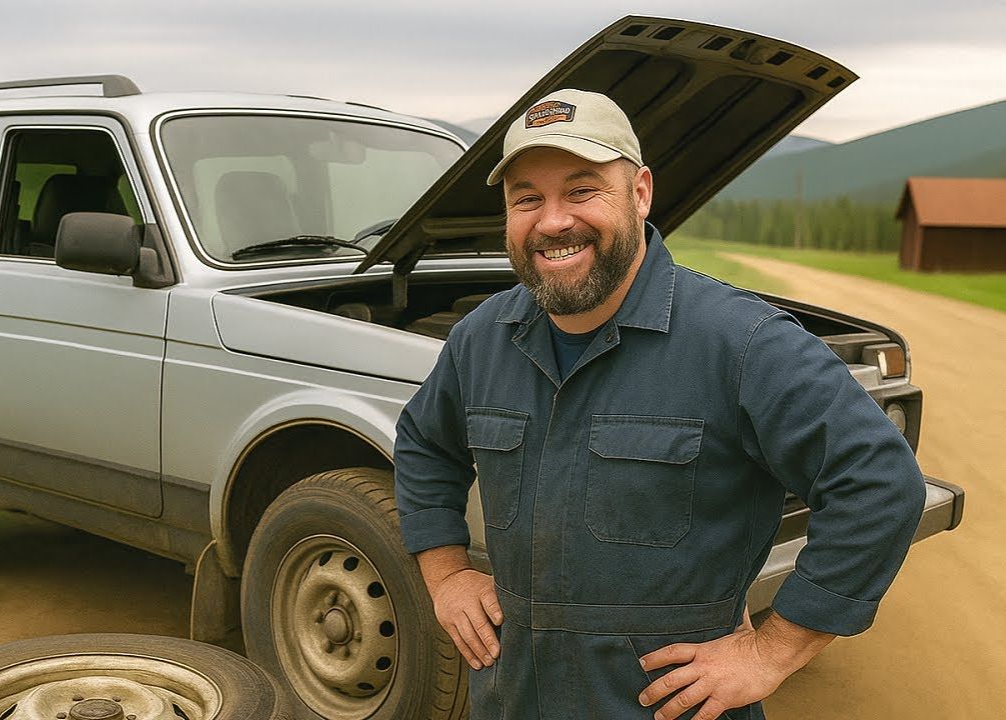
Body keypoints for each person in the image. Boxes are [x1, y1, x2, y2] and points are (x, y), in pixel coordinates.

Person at [392, 88, 927, 720]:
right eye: (526, 198)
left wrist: (774, 651)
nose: (553, 220)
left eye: (582, 190)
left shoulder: (742, 342)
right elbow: (425, 444)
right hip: (513, 700)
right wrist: (446, 574)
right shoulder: (482, 339)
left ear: (640, 192)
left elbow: (880, 484)